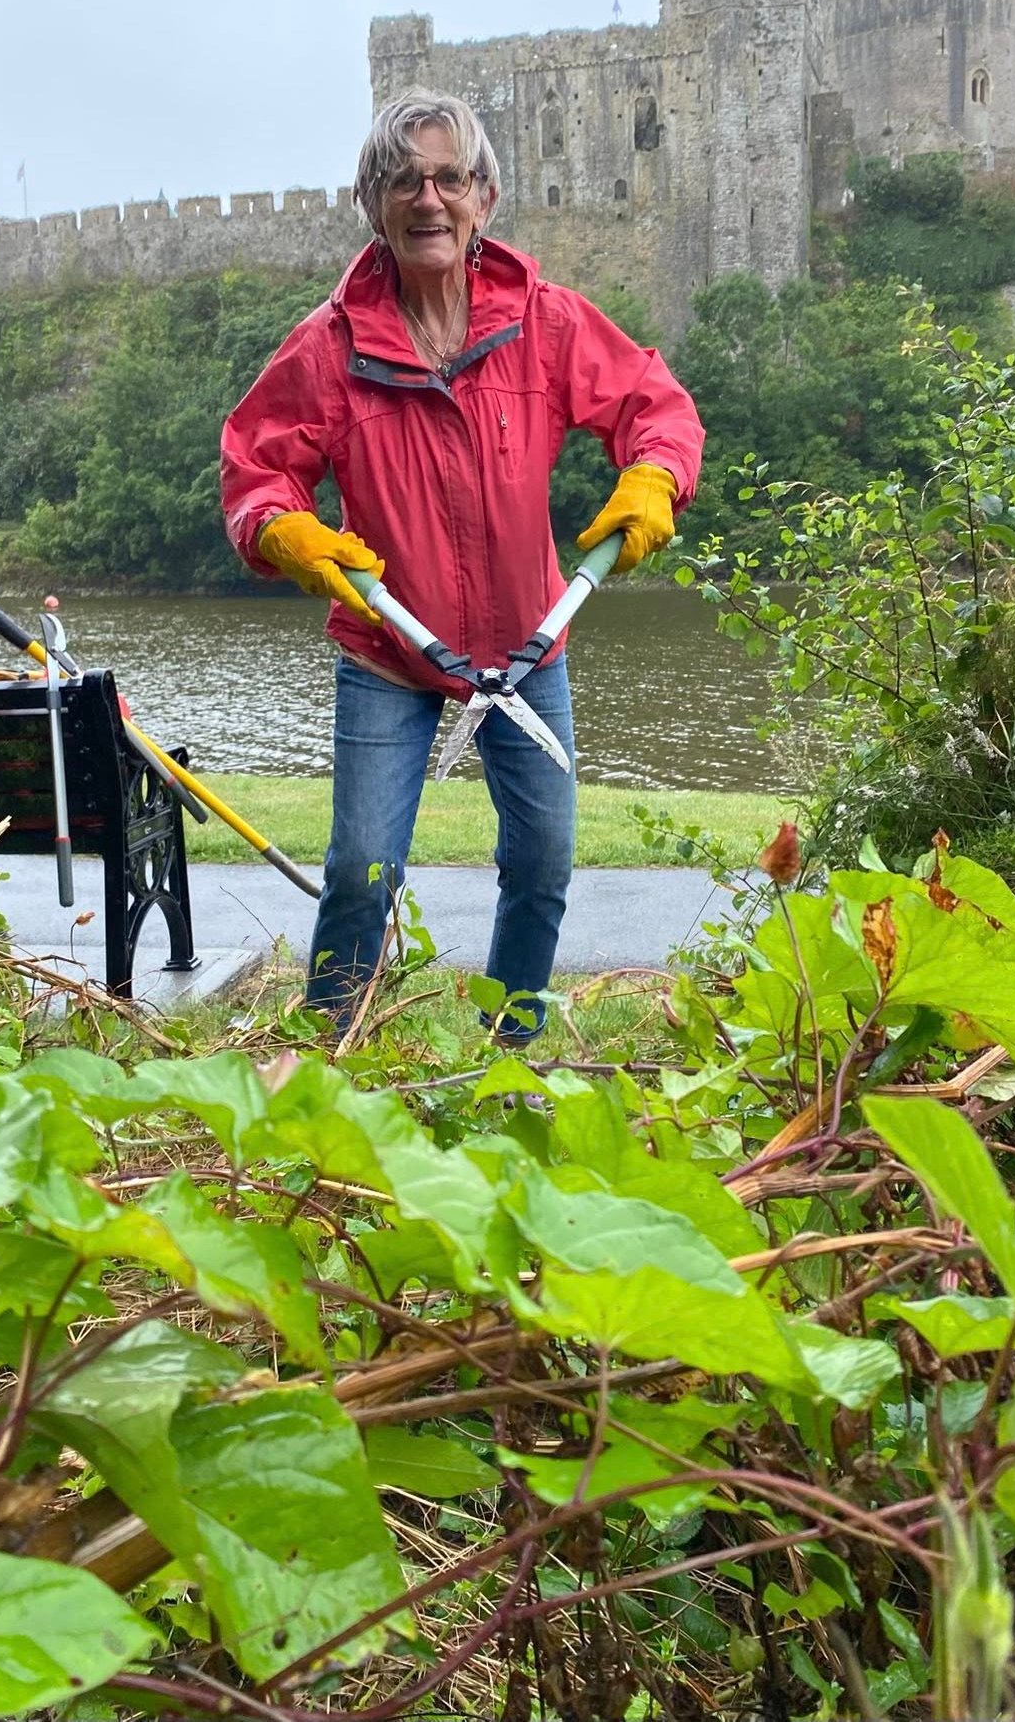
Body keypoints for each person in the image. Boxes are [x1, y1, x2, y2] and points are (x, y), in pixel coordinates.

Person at [221, 89, 703, 1038]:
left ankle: (509, 1049)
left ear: (484, 197)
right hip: (388, 651)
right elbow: (254, 468)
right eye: (403, 181)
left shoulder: (544, 321)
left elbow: (657, 407)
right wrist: (284, 532)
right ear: (374, 205)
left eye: (447, 178)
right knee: (362, 868)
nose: (427, 198)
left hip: (530, 647)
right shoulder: (330, 348)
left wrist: (654, 481)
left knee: (545, 861)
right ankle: (328, 1055)